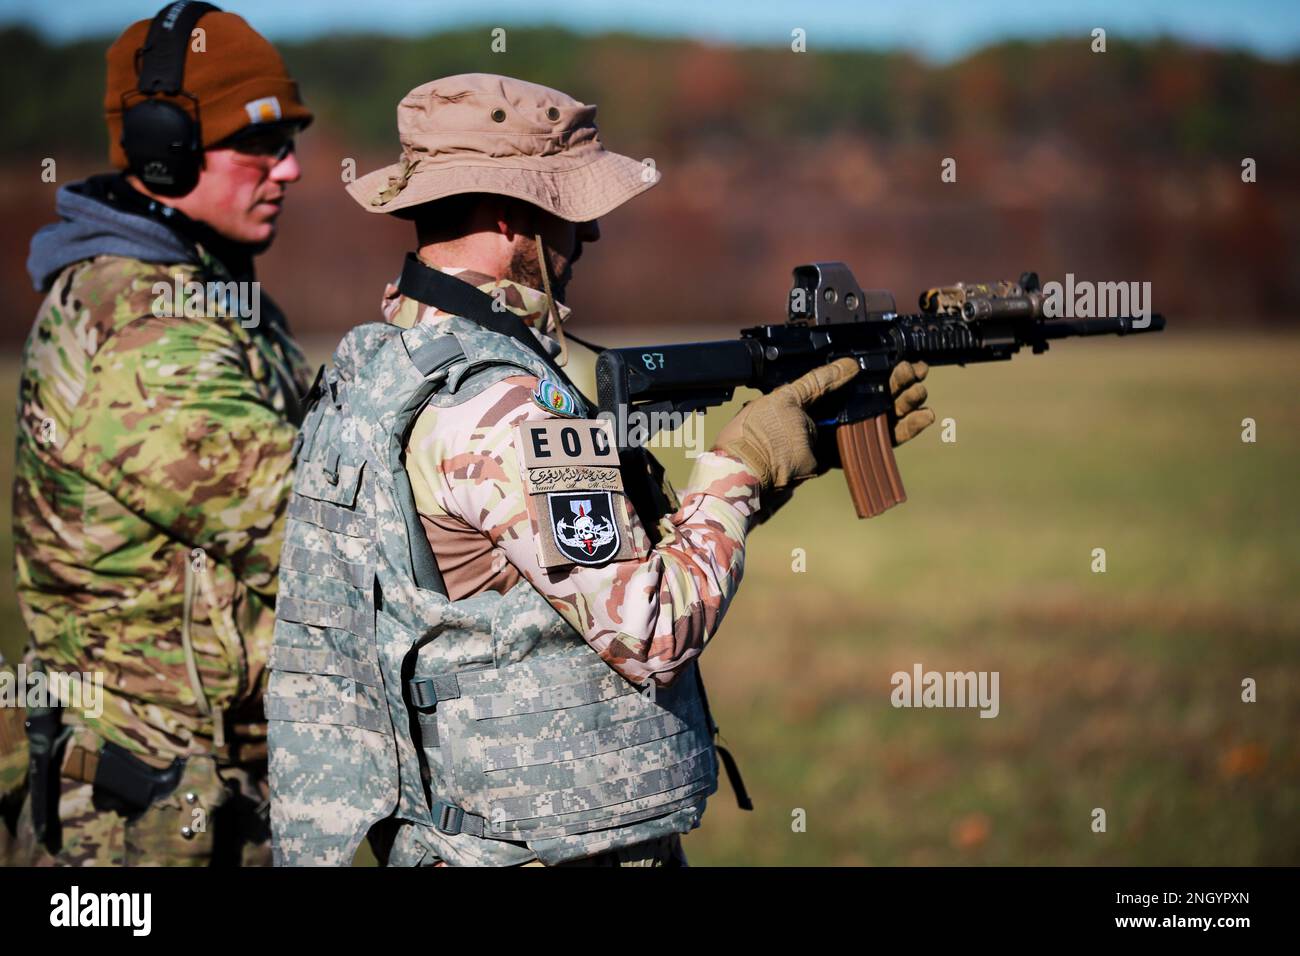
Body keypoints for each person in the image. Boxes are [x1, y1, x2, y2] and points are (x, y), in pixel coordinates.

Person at [267, 73, 933, 867]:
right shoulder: (504, 407)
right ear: (512, 215)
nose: (588, 234)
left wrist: (774, 473)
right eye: (570, 209)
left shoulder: (384, 366)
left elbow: (549, 581)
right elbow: (650, 628)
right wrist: (740, 468)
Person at [7, 2, 313, 866]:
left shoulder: (207, 292)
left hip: (203, 788)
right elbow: (315, 538)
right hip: (137, 821)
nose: (289, 168)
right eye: (259, 143)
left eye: (289, 140)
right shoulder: (144, 325)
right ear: (162, 151)